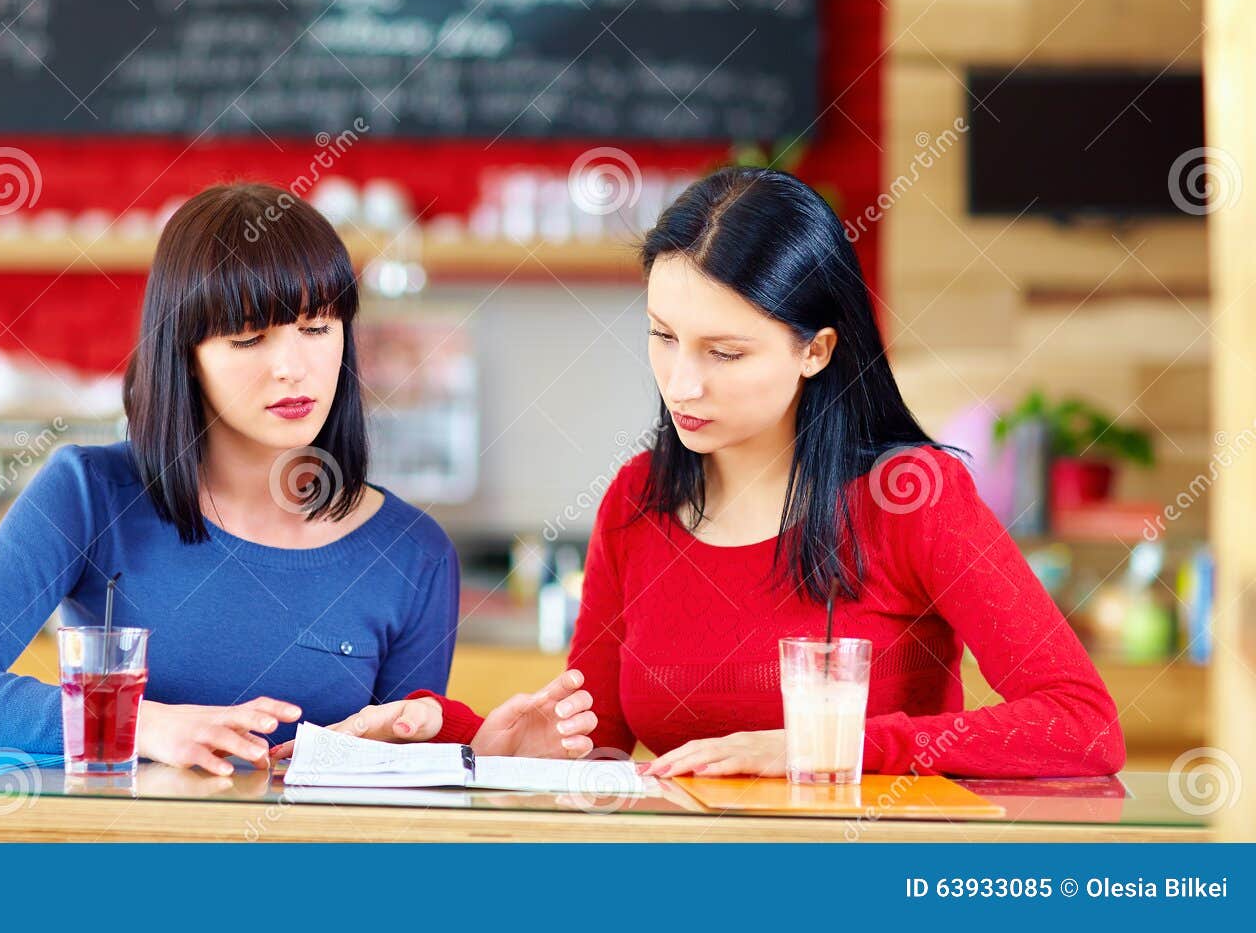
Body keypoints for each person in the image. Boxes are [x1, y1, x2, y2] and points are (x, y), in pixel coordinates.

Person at [344, 168, 1127, 779]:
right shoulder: (637, 499)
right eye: (663, 336)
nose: (682, 383)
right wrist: (481, 740)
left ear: (816, 349)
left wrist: (824, 747)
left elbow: (1082, 725)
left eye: (724, 352)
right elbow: (600, 747)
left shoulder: (912, 498)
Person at [0, 183, 586, 774]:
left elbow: (395, 796)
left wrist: (472, 756)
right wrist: (145, 725)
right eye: (250, 337)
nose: (293, 367)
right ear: (183, 352)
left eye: (317, 327)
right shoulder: (89, 494)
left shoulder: (412, 553)